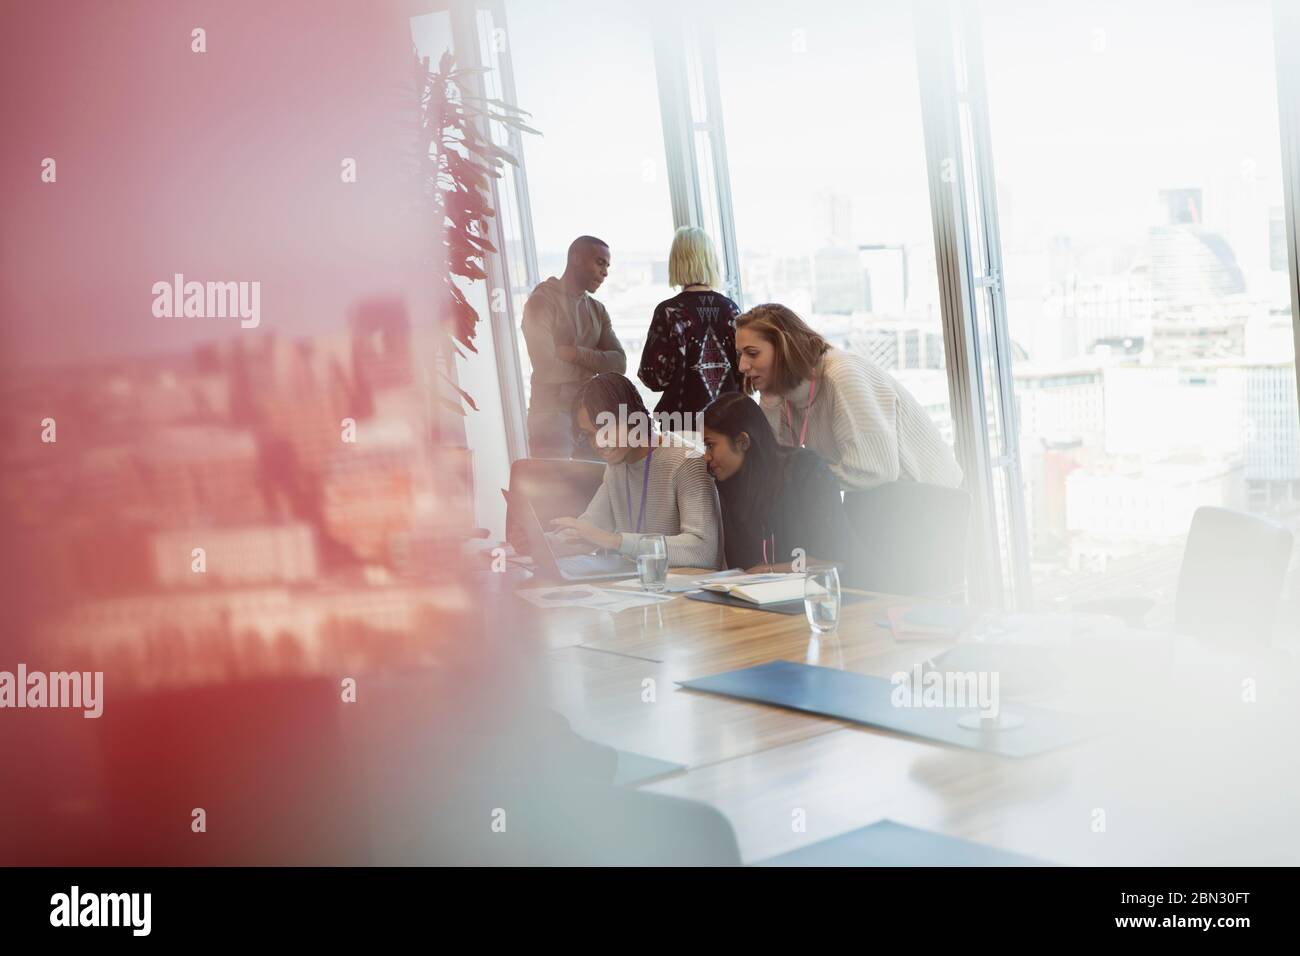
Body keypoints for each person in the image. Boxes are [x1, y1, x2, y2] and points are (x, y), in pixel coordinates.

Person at [735, 303, 963, 492]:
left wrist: (805, 477)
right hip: (889, 508)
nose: (742, 366)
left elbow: (874, 470)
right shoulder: (782, 393)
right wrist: (770, 401)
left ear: (786, 349)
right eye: (740, 355)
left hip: (935, 503)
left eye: (753, 353)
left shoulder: (842, 375)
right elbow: (775, 463)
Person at [548, 372, 723, 570]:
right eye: (590, 434)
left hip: (683, 593)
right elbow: (590, 530)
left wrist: (616, 541)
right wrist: (544, 542)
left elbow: (703, 551)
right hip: (641, 590)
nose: (598, 443)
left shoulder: (686, 462)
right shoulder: (616, 467)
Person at [702, 392, 852, 573]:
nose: (706, 456)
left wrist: (768, 571)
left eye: (710, 445)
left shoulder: (806, 470)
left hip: (835, 593)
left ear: (743, 441)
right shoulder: (726, 486)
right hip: (759, 597)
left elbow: (833, 560)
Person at [521, 235, 626, 459]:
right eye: (600, 263)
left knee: (596, 488)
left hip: (590, 417)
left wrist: (576, 353)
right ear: (576, 258)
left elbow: (619, 363)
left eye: (607, 266)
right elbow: (547, 368)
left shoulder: (598, 310)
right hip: (551, 416)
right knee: (559, 492)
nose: (605, 272)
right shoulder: (541, 302)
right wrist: (594, 368)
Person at [637, 227, 742, 426]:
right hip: (731, 424)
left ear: (676, 262)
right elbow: (745, 372)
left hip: (682, 425)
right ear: (711, 261)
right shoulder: (732, 310)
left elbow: (653, 377)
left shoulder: (669, 312)